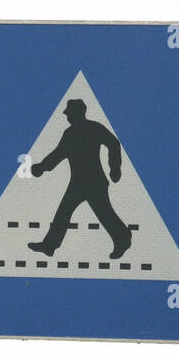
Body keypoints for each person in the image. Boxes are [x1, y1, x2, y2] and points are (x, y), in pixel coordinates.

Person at [27, 99, 132, 259]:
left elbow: (113, 143)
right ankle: (49, 245)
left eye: (69, 113)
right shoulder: (71, 133)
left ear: (76, 113)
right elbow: (58, 154)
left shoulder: (90, 128)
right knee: (65, 212)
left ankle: (123, 238)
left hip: (94, 182)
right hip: (79, 182)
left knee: (104, 214)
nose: (67, 116)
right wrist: (42, 167)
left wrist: (115, 168)